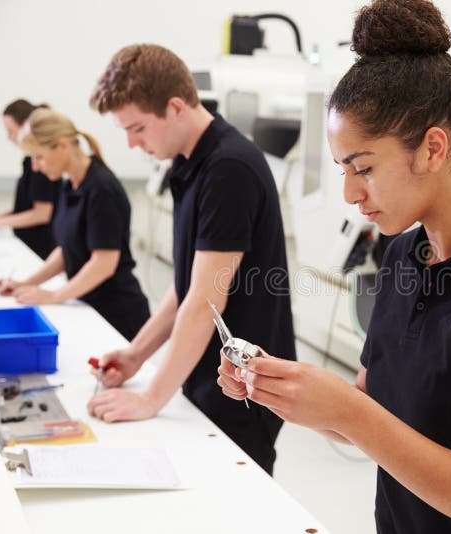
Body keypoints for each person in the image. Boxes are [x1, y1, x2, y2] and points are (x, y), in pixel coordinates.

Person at [217, 0, 451, 532]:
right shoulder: (402, 255)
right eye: (342, 170)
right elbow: (374, 411)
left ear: (433, 148)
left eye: (364, 168)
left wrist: (350, 412)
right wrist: (287, 392)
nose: (350, 193)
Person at [86, 44, 295, 475]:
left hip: (244, 386)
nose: (132, 143)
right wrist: (137, 354)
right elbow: (186, 284)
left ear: (175, 107)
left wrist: (150, 397)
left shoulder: (228, 169)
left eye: (138, 127)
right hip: (206, 374)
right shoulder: (191, 164)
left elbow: (204, 300)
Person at [0, 108, 150, 342]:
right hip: (88, 302)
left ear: (62, 146)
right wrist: (25, 283)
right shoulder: (71, 186)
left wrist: (54, 295)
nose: (36, 167)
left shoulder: (101, 189)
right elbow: (67, 248)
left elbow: (103, 263)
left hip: (117, 313)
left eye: (38, 156)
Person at [0, 100, 61, 259]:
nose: (9, 137)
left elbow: (42, 213)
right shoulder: (30, 161)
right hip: (29, 244)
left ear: (25, 127)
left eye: (10, 130)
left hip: (40, 250)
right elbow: (27, 206)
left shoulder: (42, 164)